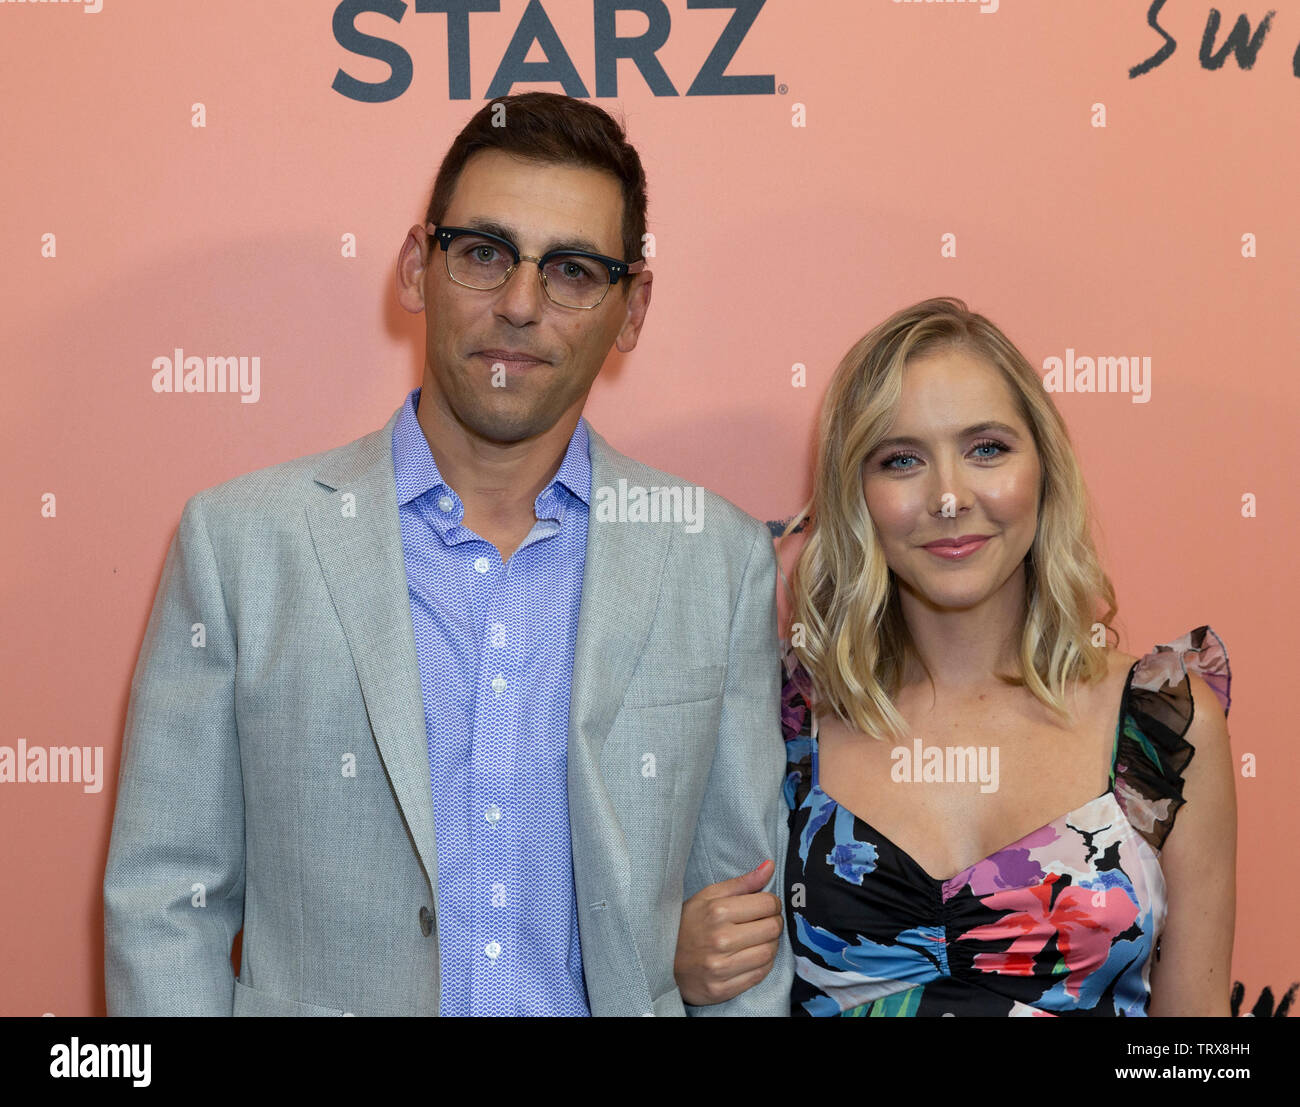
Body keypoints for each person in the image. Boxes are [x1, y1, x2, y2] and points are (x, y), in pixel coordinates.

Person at [103, 91, 792, 1017]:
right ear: (416, 268)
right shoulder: (240, 545)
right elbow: (166, 903)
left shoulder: (717, 559)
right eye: (484, 253)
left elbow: (741, 921)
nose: (518, 305)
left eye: (575, 270)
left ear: (631, 310)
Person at [673, 298, 1235, 1016]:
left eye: (987, 448)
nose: (947, 497)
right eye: (901, 459)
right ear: (856, 497)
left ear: (1044, 469)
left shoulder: (1163, 724)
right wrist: (674, 964)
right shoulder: (781, 719)